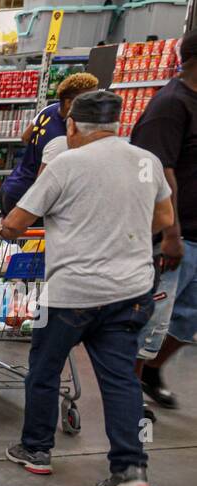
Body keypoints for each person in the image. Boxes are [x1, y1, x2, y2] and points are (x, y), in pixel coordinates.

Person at [0, 90, 174, 486]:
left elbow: (18, 222)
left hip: (69, 294)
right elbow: (164, 218)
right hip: (130, 290)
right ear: (118, 125)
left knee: (44, 368)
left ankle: (37, 449)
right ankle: (129, 465)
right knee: (119, 378)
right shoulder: (146, 161)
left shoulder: (66, 164)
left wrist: (4, 232)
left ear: (73, 124)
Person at [129, 30, 197, 410]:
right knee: (150, 323)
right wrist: (171, 233)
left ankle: (152, 371)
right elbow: (158, 171)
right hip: (173, 238)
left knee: (185, 323)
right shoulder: (170, 105)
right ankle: (129, 396)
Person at [0, 72, 99, 216]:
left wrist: (38, 151)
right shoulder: (60, 140)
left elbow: (25, 137)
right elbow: (43, 186)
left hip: (12, 185)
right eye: (89, 100)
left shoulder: (49, 109)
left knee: (19, 239)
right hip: (25, 198)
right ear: (69, 102)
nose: (94, 105)